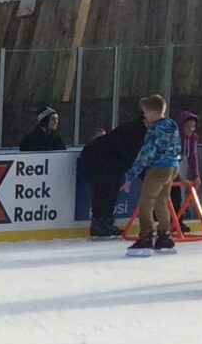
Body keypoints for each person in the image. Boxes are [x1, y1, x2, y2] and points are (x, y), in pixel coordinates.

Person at [77, 108, 148, 240]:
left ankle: (106, 222)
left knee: (111, 189)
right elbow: (133, 157)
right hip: (97, 158)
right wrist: (145, 176)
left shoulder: (142, 131)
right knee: (104, 189)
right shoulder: (133, 131)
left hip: (111, 162)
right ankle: (98, 223)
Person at [125, 95, 181, 255]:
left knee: (145, 203)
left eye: (145, 112)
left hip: (158, 169)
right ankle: (165, 237)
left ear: (152, 111)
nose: (144, 115)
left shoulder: (155, 129)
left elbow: (147, 153)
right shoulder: (172, 125)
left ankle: (146, 237)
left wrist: (131, 175)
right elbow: (177, 148)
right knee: (162, 202)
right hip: (172, 166)